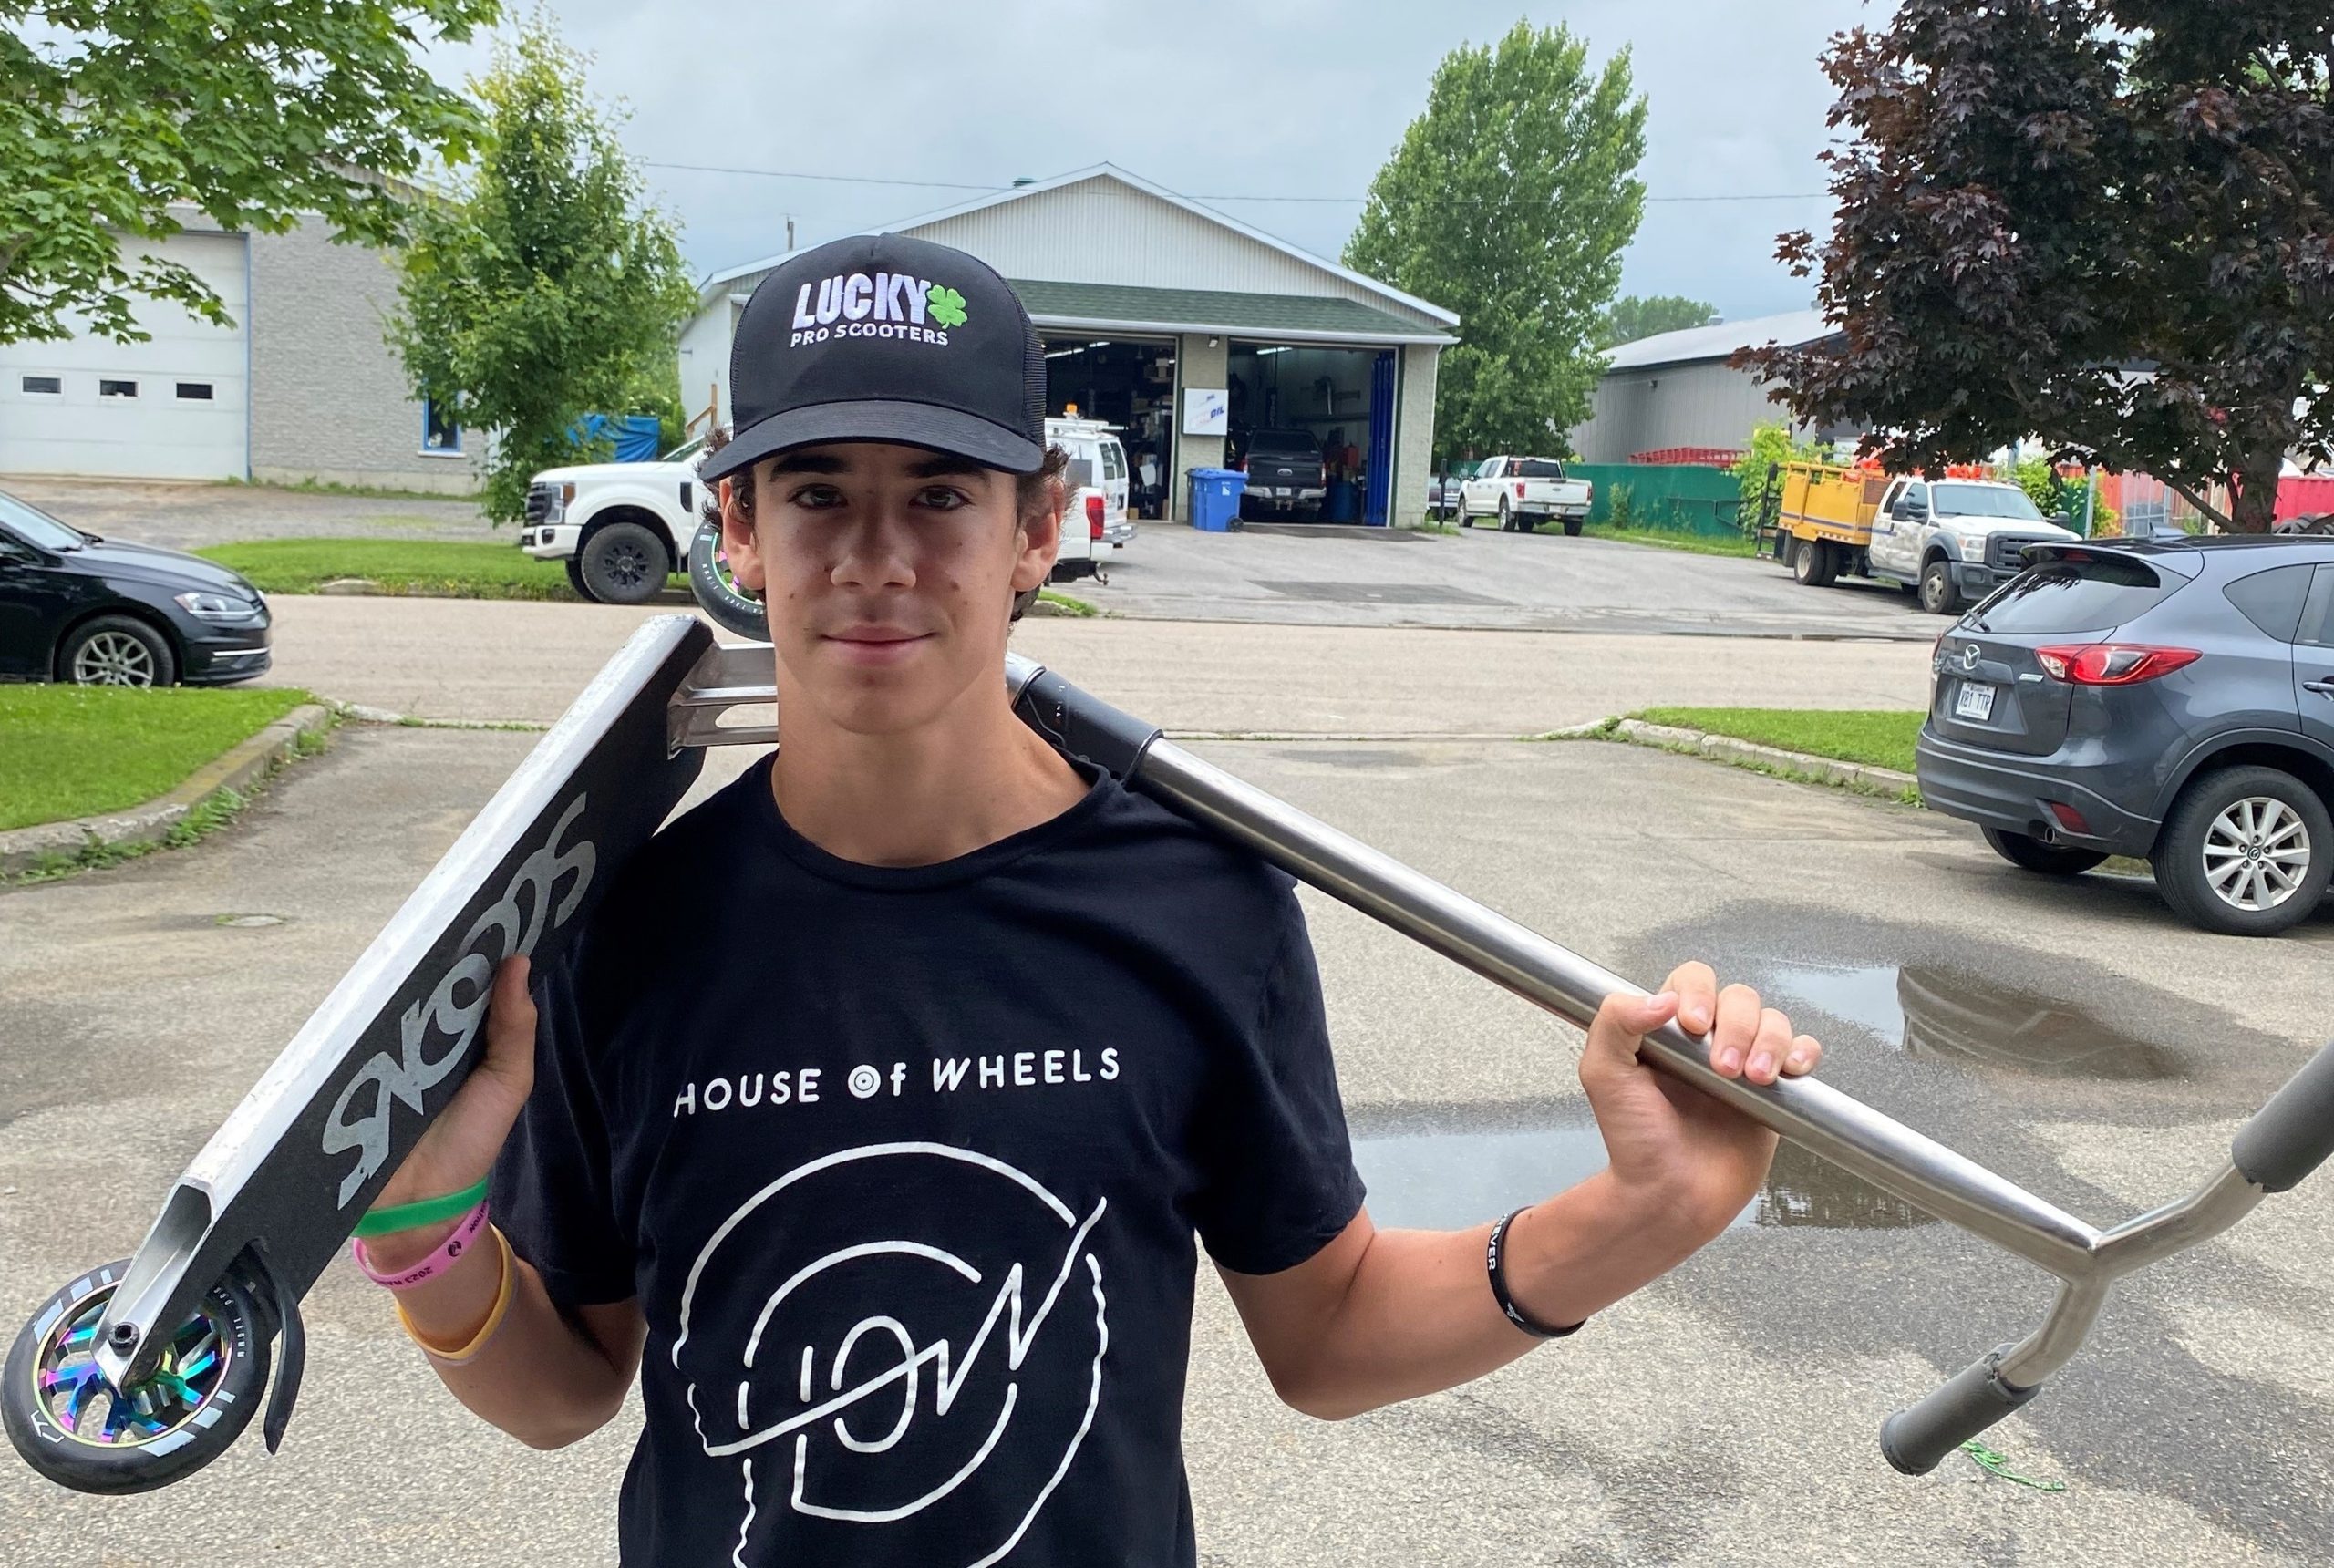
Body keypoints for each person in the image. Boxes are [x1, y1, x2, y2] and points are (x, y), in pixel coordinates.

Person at [353, 234, 1826, 1566]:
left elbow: (1329, 1333)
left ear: (1037, 527)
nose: (877, 558)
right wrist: (424, 1231)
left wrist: (1640, 1214)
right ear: (736, 526)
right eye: (818, 493)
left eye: (941, 494)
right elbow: (564, 1391)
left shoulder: (1198, 898)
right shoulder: (626, 928)